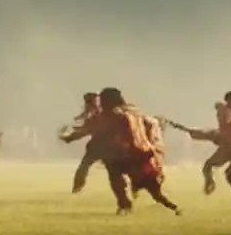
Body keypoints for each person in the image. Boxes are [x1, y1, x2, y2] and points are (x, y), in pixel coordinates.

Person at [69, 87, 179, 215]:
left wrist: (72, 137)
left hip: (130, 155)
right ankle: (173, 208)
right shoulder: (131, 112)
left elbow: (96, 128)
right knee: (153, 192)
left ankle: (126, 204)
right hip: (141, 154)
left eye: (103, 100)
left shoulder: (114, 115)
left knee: (115, 172)